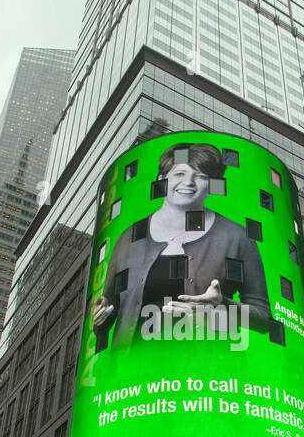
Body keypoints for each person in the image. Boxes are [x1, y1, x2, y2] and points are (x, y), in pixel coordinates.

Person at [92, 142, 269, 352]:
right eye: (179, 173)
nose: (189, 182)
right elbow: (110, 310)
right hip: (133, 379)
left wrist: (222, 305)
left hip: (209, 377)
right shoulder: (129, 238)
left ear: (213, 184)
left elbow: (263, 318)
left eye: (201, 176)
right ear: (162, 180)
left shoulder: (237, 237)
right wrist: (102, 317)